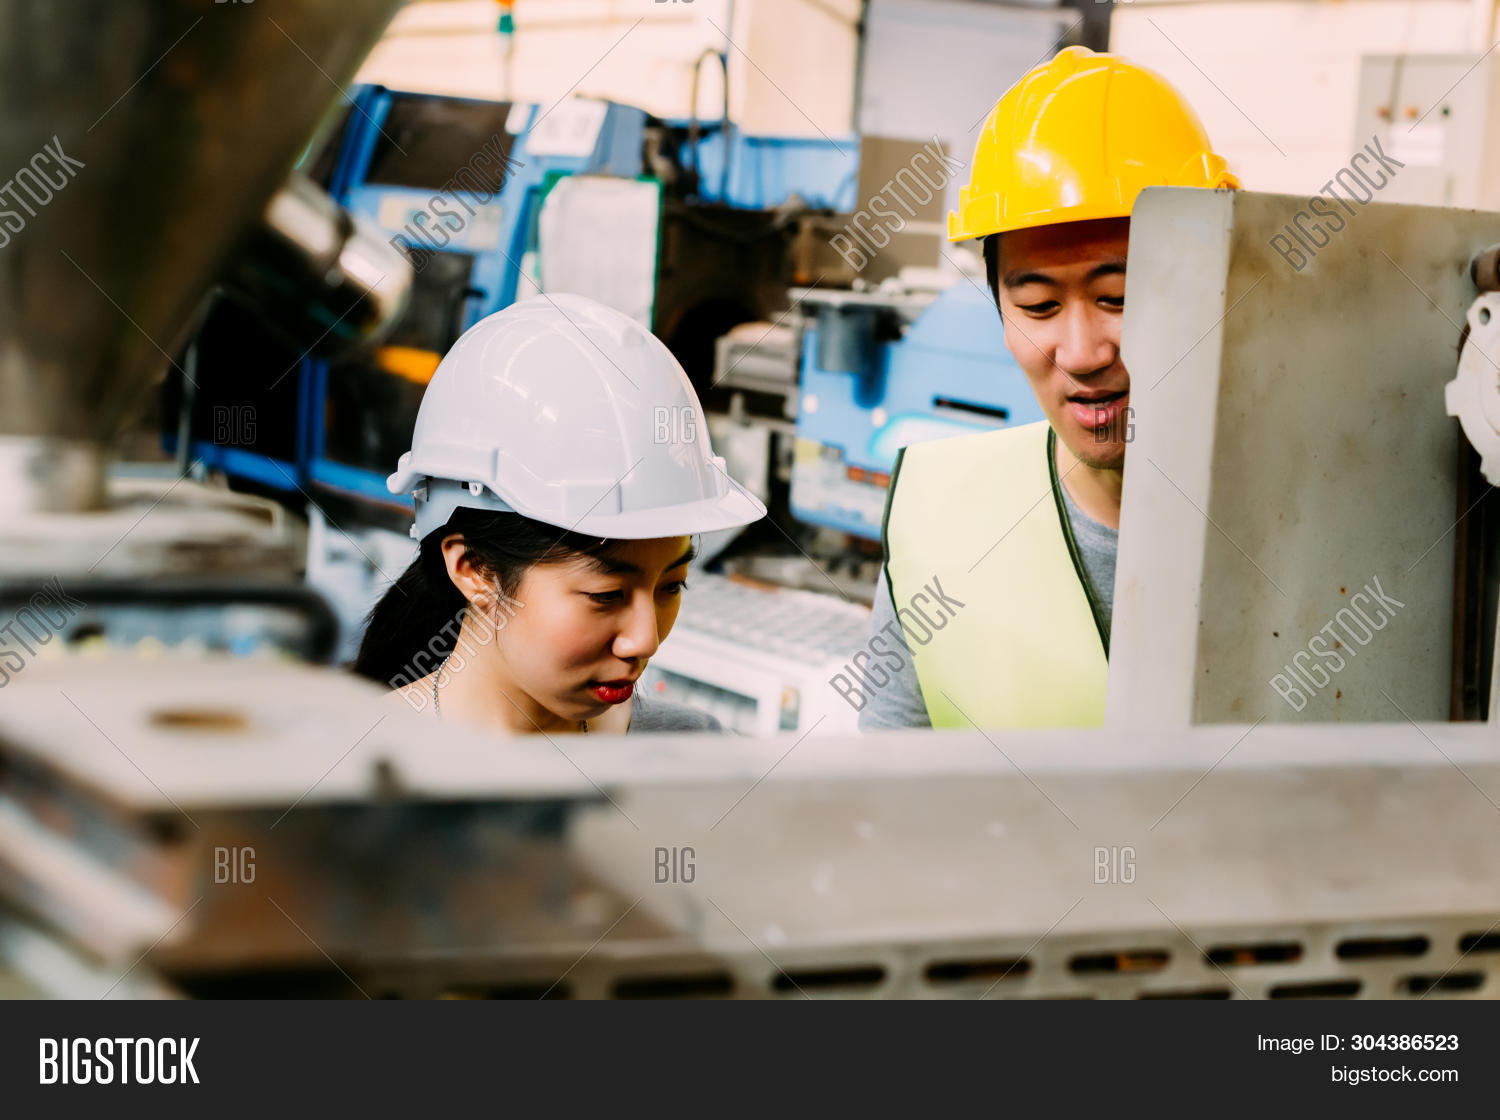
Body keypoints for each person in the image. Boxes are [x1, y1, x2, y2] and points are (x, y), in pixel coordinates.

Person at [858, 46, 1239, 730]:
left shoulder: (1305, 519)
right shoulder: (935, 516)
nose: (1084, 353)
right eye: (1037, 307)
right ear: (1000, 312)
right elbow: (891, 800)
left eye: (1121, 297)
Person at [355, 293, 766, 735]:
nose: (645, 640)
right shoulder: (350, 769)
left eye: (672, 586)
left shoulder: (692, 752)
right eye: (607, 595)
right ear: (474, 569)